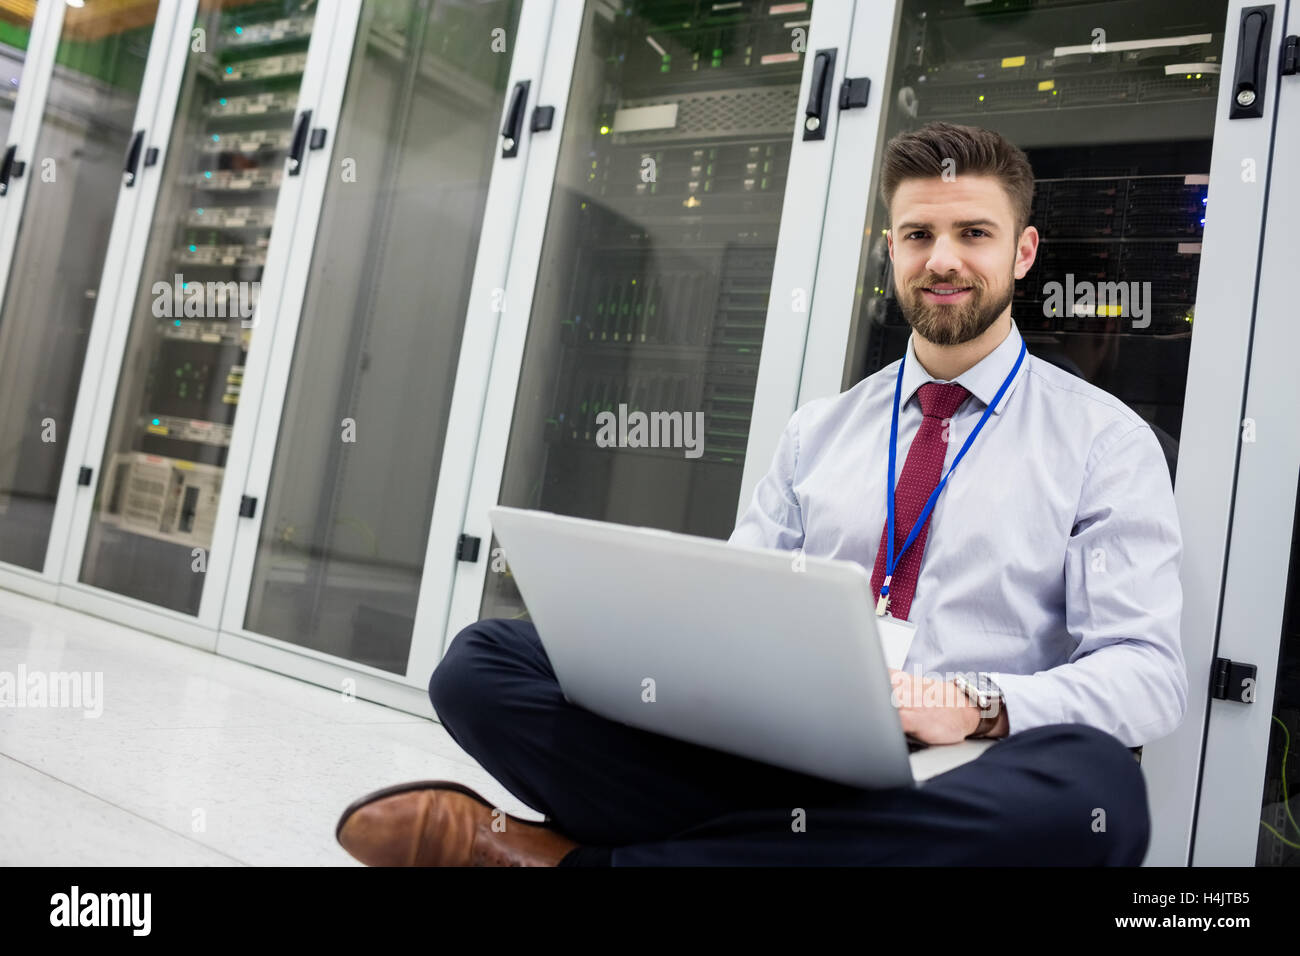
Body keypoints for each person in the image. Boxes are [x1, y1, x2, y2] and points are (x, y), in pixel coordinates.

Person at [335, 121, 1185, 866]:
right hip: (779, 753)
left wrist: (976, 705)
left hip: (963, 767)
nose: (944, 260)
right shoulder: (819, 430)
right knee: (483, 665)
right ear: (891, 250)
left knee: (1096, 797)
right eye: (919, 234)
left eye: (974, 233)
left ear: (1022, 252)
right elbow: (732, 604)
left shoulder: (1103, 441)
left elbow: (1147, 676)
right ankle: (819, 852)